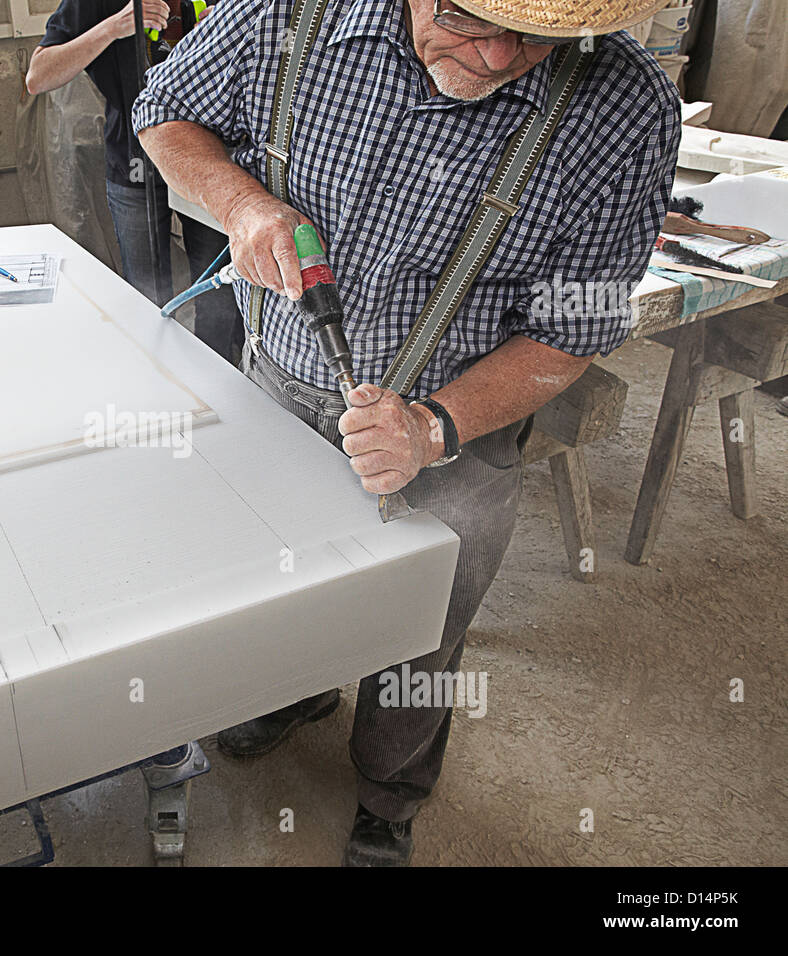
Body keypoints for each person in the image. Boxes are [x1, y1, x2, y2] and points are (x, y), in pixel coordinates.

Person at [134, 0, 680, 865]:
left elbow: (573, 328)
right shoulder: (286, 12)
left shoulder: (627, 108)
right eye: (467, 16)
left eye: (536, 35)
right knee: (282, 584)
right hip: (277, 385)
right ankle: (291, 695)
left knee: (425, 630)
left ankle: (392, 794)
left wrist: (431, 429)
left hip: (459, 424)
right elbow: (162, 111)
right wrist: (239, 203)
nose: (498, 54)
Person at [26, 0, 242, 361]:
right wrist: (113, 28)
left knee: (219, 295)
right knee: (146, 298)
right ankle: (158, 379)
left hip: (209, 165)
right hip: (134, 164)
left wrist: (226, 30)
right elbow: (38, 76)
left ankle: (219, 388)